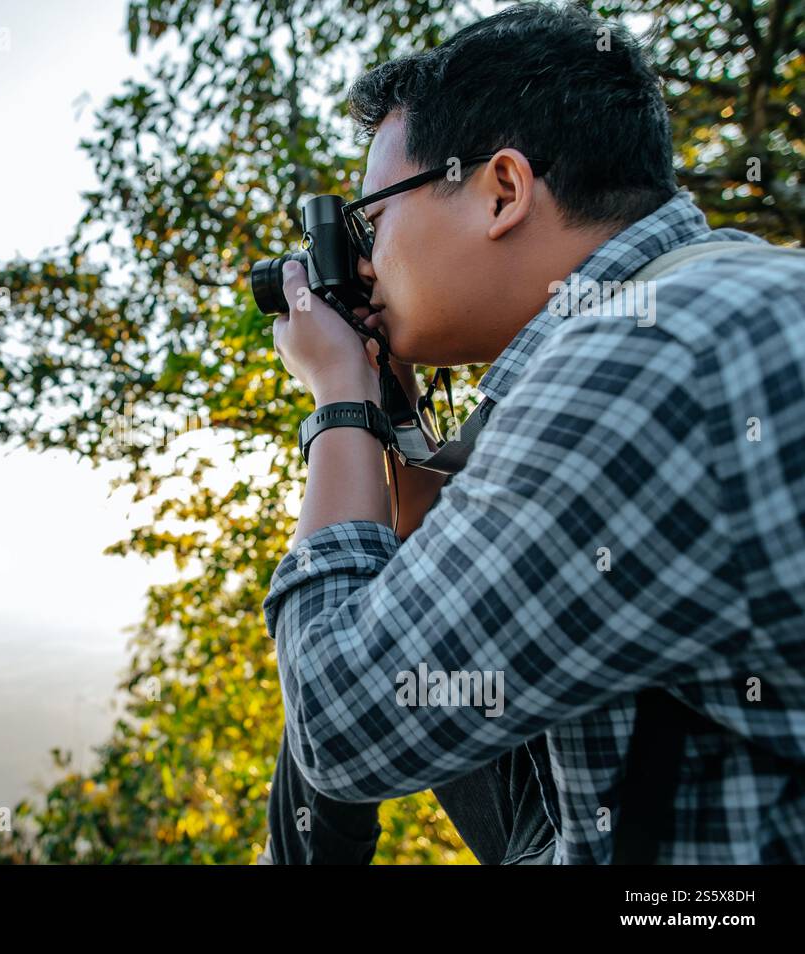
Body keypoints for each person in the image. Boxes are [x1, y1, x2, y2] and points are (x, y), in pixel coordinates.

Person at [259, 1, 805, 865]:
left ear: (503, 191)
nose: (363, 264)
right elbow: (437, 588)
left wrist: (338, 401)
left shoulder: (633, 364)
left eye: (375, 219)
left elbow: (339, 721)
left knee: (321, 649)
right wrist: (385, 403)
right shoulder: (707, 294)